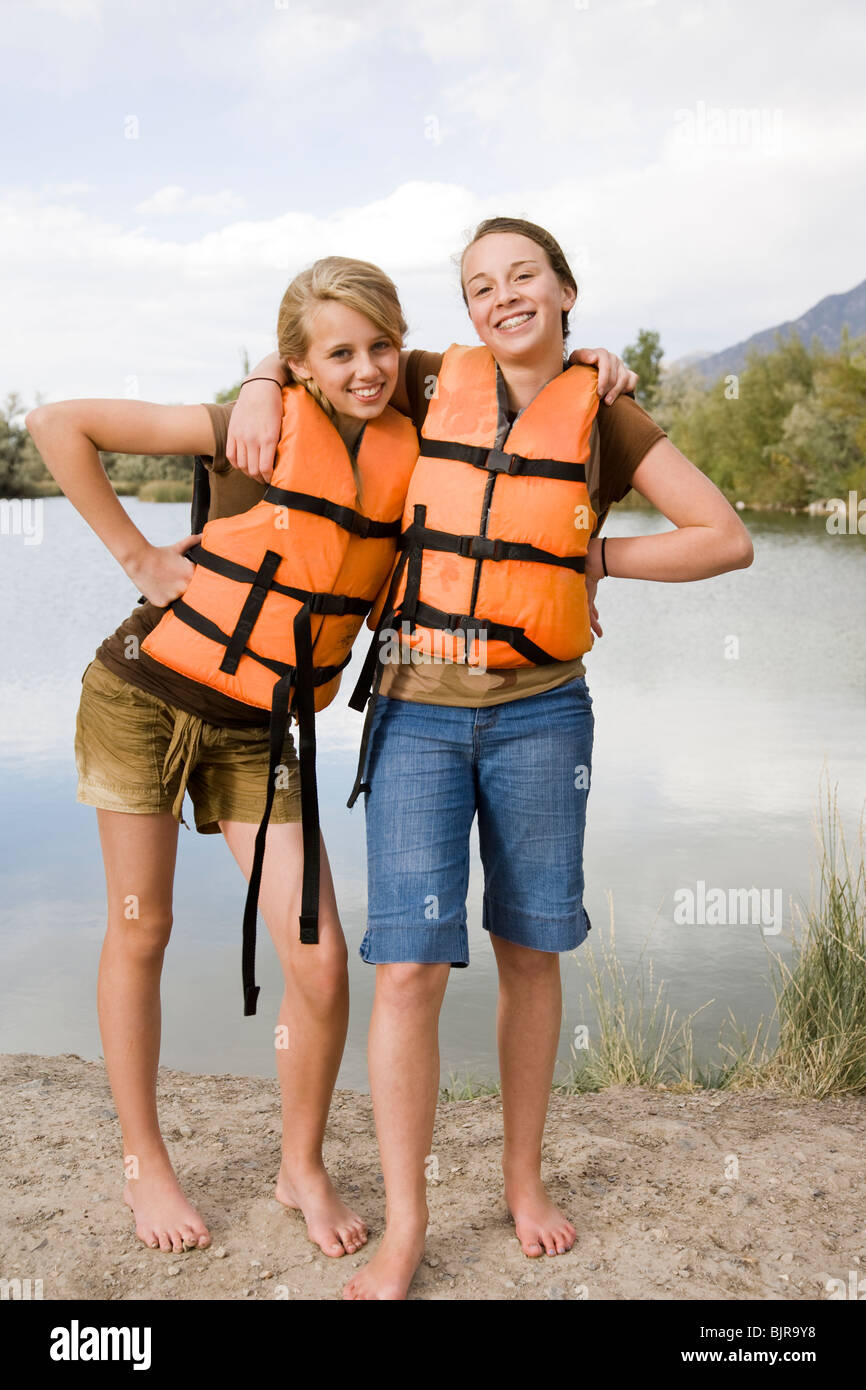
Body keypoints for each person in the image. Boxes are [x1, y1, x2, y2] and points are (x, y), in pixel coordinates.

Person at [229, 217, 754, 1301]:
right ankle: (406, 1228)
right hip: (415, 713)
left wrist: (592, 555)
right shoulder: (425, 380)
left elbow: (723, 535)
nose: (502, 296)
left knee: (527, 949)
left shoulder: (606, 411)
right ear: (465, 312)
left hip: (541, 719)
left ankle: (523, 1182)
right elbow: (328, 357)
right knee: (408, 966)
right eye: (479, 285)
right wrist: (251, 385)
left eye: (523, 275)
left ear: (564, 288)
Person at [24, 256, 420, 1260]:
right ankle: (143, 1159)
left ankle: (302, 1163)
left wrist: (600, 361)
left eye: (381, 343)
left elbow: (518, 367)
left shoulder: (419, 419)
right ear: (298, 362)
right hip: (144, 697)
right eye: (340, 351)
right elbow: (55, 424)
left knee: (322, 959)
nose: (366, 367)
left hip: (260, 732)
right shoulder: (246, 424)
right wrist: (140, 557)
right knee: (142, 928)